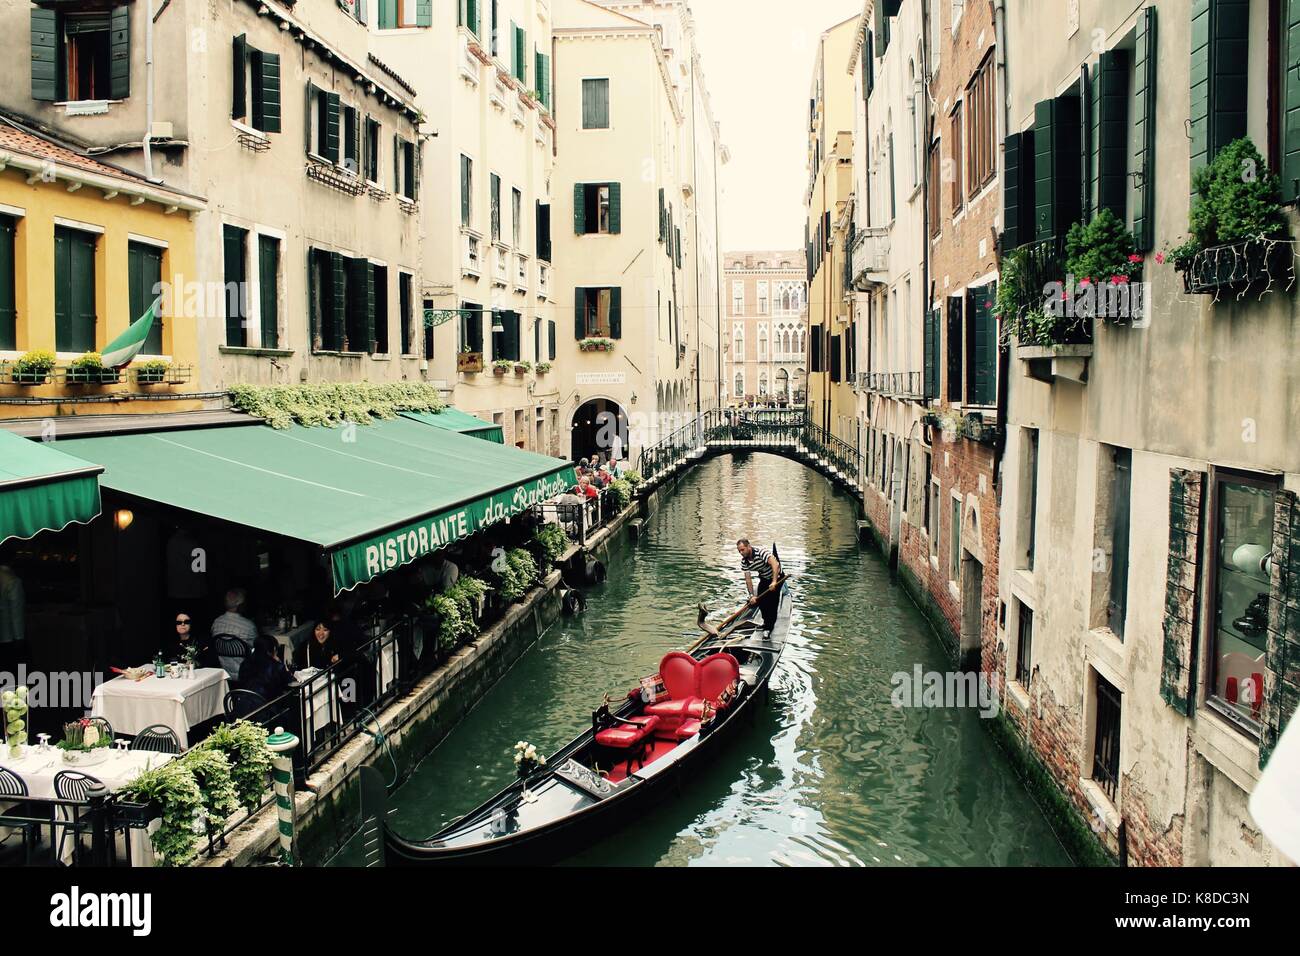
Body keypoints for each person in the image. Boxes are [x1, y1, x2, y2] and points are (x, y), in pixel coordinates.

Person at [737, 538, 782, 633]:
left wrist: (774, 582)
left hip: (777, 577)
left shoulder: (761, 552)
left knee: (772, 603)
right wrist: (751, 595)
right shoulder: (744, 562)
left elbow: (775, 564)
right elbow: (748, 579)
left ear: (749, 546)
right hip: (764, 578)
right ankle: (766, 623)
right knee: (761, 602)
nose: (741, 552)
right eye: (739, 551)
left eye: (742, 549)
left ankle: (769, 628)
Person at [211, 588, 258, 679]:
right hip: (246, 673)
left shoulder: (216, 622)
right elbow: (257, 647)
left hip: (224, 673)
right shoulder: (248, 625)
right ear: (240, 605)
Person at [237, 635, 293, 702]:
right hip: (267, 706)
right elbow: (289, 683)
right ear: (274, 649)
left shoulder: (245, 663)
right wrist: (281, 664)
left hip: (243, 703)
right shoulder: (277, 666)